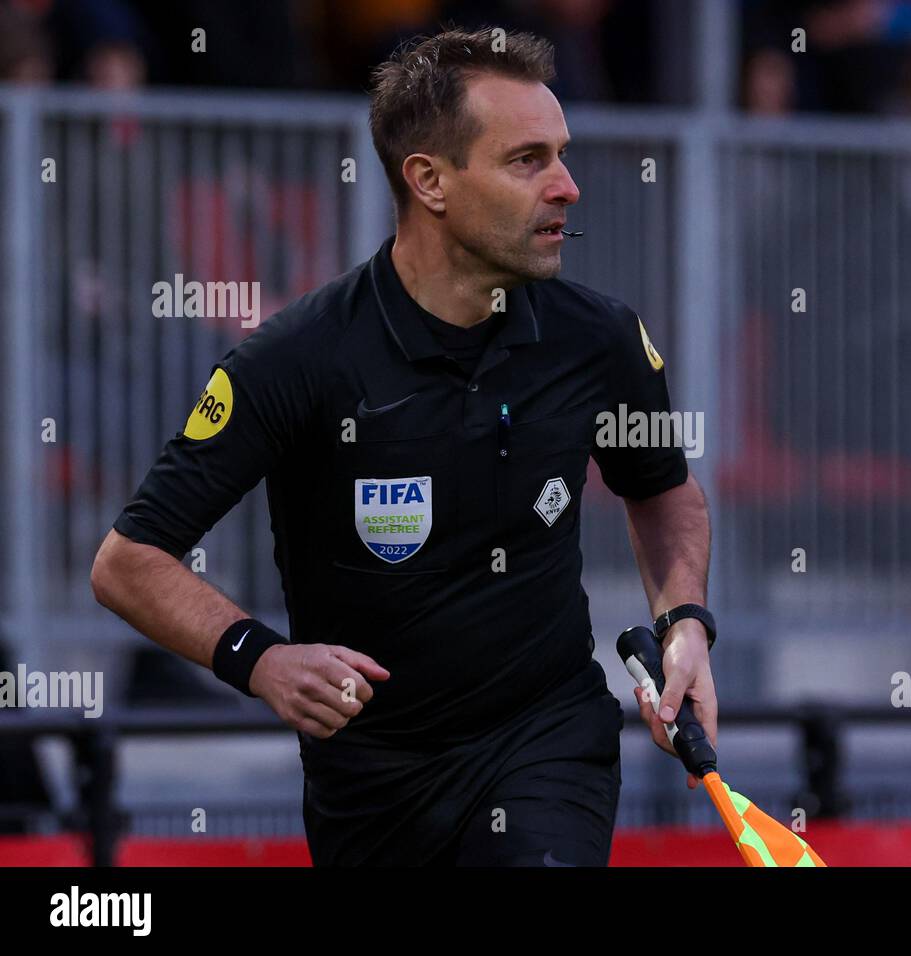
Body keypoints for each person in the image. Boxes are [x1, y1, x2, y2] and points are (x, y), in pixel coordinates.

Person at [90, 27, 717, 866]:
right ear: (428, 181)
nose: (567, 187)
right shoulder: (298, 359)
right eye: (527, 160)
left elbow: (662, 490)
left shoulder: (598, 340)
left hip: (548, 742)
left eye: (562, 155)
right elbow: (128, 562)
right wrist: (260, 659)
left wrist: (683, 625)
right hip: (371, 786)